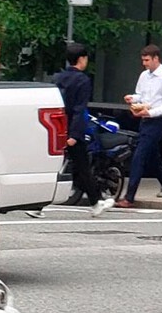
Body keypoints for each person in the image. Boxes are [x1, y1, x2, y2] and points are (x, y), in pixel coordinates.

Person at [49, 42, 114, 216]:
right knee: (82, 166)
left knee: (66, 165)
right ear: (81, 59)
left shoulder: (57, 78)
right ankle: (95, 202)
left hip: (56, 127)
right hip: (72, 130)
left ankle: (96, 200)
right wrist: (74, 134)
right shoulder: (82, 80)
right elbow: (79, 109)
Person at [117, 45, 162, 210]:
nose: (145, 64)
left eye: (147, 60)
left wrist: (151, 112)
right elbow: (141, 95)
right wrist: (132, 98)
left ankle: (129, 196)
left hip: (159, 119)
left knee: (139, 155)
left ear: (156, 58)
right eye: (143, 60)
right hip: (145, 118)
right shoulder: (144, 76)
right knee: (153, 160)